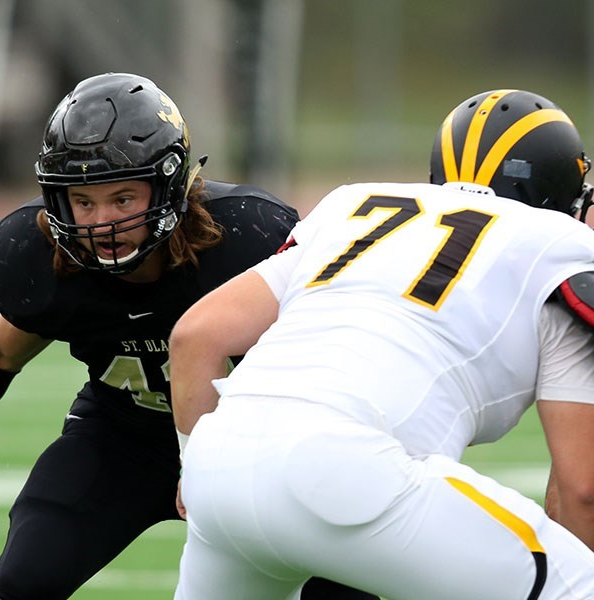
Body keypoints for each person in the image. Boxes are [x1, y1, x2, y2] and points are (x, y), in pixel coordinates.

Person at [0, 72, 372, 600]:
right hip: (123, 439)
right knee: (25, 576)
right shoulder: (44, 259)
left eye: (123, 199)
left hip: (259, 445)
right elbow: (0, 349)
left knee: (343, 583)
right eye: (84, 201)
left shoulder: (246, 243)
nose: (103, 224)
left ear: (169, 186)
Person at [169, 88, 594, 599]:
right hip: (347, 470)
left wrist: (194, 468)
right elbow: (582, 491)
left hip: (219, 470)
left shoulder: (352, 207)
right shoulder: (562, 246)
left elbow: (195, 336)